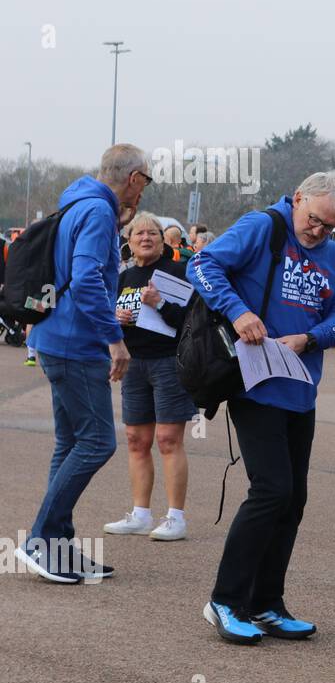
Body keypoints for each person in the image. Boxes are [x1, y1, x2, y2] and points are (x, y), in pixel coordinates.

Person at [189, 171, 335, 644]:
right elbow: (201, 265)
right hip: (254, 383)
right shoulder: (263, 226)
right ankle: (225, 600)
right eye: (315, 219)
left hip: (300, 387)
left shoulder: (331, 253)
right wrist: (238, 311)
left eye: (331, 226)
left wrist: (310, 338)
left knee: (293, 497)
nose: (319, 232)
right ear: (298, 198)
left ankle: (266, 602)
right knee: (271, 490)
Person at [16, 144, 151, 584]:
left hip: (56, 337)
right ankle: (41, 540)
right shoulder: (97, 211)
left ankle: (55, 544)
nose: (144, 191)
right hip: (77, 344)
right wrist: (115, 340)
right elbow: (88, 278)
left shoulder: (78, 202)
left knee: (70, 441)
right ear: (134, 178)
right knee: (96, 442)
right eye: (145, 181)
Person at [104, 212, 196, 542]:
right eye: (139, 233)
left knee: (168, 439)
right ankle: (140, 515)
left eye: (152, 233)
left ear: (163, 240)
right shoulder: (123, 277)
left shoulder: (178, 273)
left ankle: (175, 518)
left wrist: (159, 303)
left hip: (169, 362)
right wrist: (115, 317)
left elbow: (189, 322)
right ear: (128, 242)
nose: (145, 238)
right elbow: (105, 319)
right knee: (135, 440)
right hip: (134, 363)